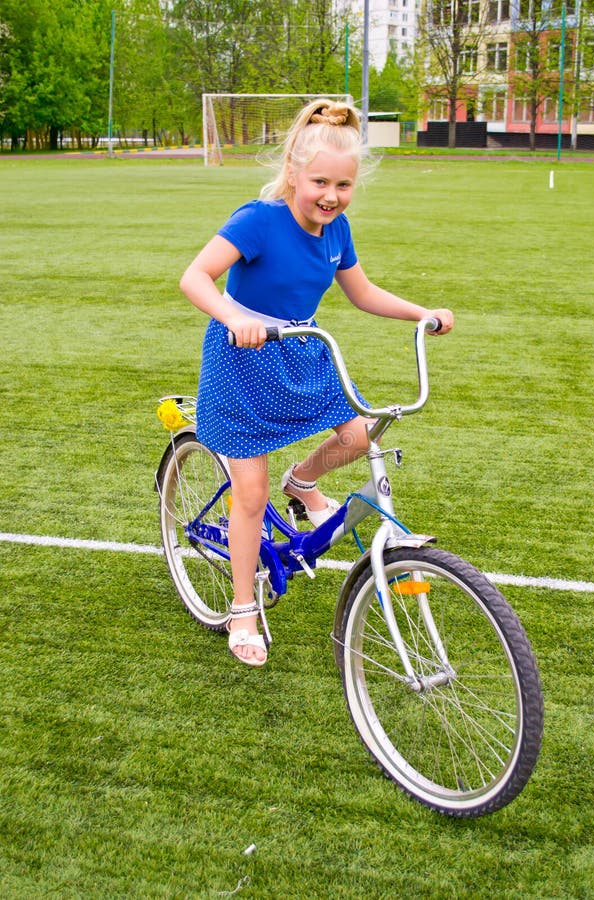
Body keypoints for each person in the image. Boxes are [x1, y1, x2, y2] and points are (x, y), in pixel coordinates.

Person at [180, 98, 453, 667]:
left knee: (360, 437)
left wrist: (421, 312)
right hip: (242, 355)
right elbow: (195, 276)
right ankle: (242, 607)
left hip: (304, 351)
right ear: (292, 174)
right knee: (248, 495)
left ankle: (302, 484)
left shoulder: (338, 229)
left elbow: (362, 292)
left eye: (344, 185)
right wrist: (235, 318)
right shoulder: (259, 219)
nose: (331, 195)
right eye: (320, 182)